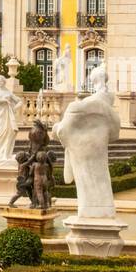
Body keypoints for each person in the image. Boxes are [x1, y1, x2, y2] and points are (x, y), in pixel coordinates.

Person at [52, 69, 120, 219]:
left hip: (81, 150)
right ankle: (105, 211)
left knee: (86, 181)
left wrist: (55, 129)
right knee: (101, 179)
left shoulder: (80, 106)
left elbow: (62, 130)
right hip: (98, 149)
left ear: (93, 81)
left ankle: (90, 212)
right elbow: (115, 133)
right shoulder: (108, 107)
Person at [0, 74, 23, 163]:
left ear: (4, 82)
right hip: (0, 115)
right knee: (0, 134)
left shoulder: (8, 92)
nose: (0, 82)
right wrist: (5, 100)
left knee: (10, 132)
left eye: (1, 81)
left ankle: (6, 154)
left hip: (8, 114)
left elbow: (20, 101)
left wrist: (14, 108)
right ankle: (0, 153)